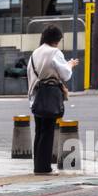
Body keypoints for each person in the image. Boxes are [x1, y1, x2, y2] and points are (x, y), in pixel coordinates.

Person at [28, 25, 77, 175]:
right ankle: (44, 168)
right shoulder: (54, 52)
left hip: (37, 96)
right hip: (49, 96)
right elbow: (65, 74)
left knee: (39, 131)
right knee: (48, 131)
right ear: (56, 40)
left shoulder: (35, 53)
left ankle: (38, 165)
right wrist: (70, 64)